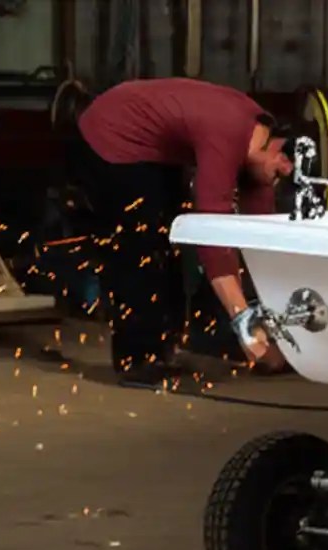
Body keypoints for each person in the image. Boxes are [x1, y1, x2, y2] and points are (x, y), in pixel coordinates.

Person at [63, 77, 294, 389]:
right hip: (113, 133)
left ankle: (175, 344)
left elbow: (261, 237)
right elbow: (213, 237)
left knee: (173, 239)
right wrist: (245, 324)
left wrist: (280, 325)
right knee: (142, 246)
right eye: (282, 166)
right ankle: (138, 359)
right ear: (277, 146)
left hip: (155, 145)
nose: (286, 173)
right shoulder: (226, 135)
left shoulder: (258, 146)